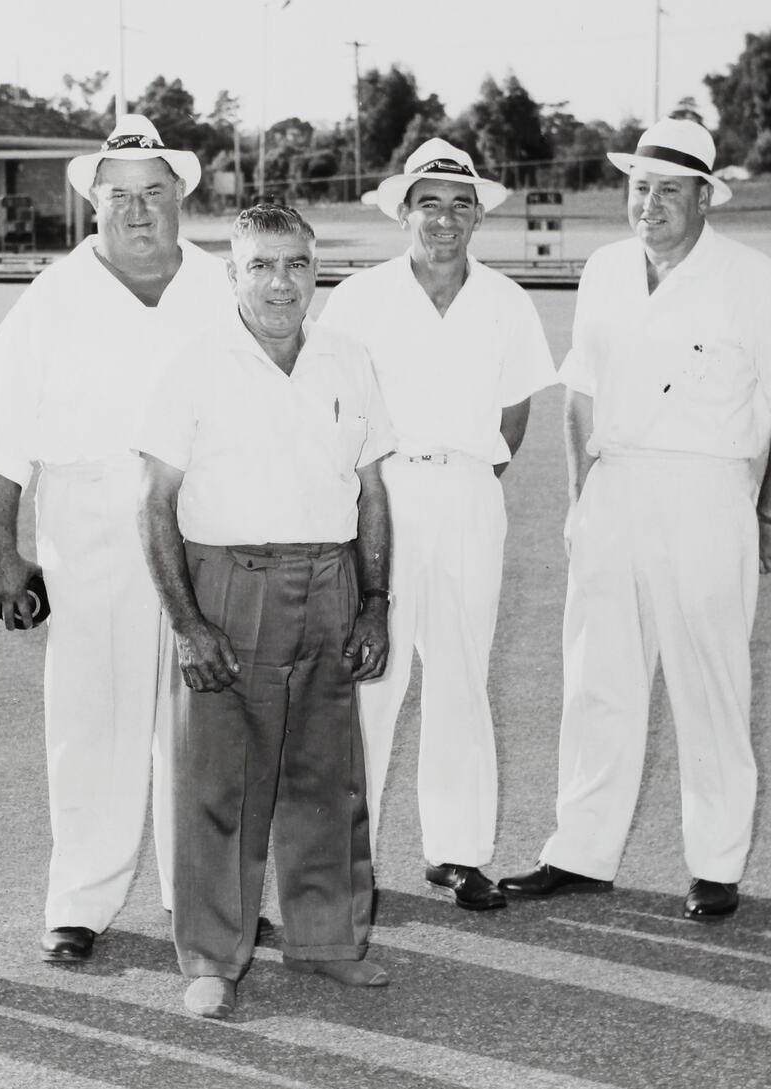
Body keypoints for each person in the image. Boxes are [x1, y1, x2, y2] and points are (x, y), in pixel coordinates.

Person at [498, 119, 771, 920]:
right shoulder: (608, 270)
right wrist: (580, 497)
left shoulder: (751, 280)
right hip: (613, 490)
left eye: (669, 191)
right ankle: (580, 851)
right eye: (639, 187)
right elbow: (580, 387)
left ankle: (715, 864)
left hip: (707, 493)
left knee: (709, 685)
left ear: (704, 198)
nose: (650, 204)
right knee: (596, 681)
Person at [0, 115, 235, 964]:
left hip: (208, 522)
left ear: (181, 200)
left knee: (207, 724)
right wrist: (1, 549)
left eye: (154, 192)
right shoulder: (49, 299)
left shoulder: (222, 285)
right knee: (93, 720)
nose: (137, 209)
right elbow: (2, 435)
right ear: (92, 205)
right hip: (91, 524)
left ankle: (204, 898)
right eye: (119, 195)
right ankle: (79, 903)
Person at [135, 204, 395, 1020]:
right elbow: (154, 503)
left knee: (328, 777)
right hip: (229, 582)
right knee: (221, 780)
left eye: (297, 264)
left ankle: (328, 940)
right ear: (233, 274)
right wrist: (187, 622)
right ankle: (214, 957)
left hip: (330, 580)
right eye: (262, 265)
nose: (282, 282)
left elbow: (374, 492)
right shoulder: (195, 364)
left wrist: (376, 602)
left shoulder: (348, 358)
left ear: (316, 270)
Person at [317, 139, 557, 912]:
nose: (445, 218)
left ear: (478, 214)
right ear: (403, 211)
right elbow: (330, 405)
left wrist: (463, 475)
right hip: (378, 498)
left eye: (461, 204)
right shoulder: (358, 299)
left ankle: (458, 853)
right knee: (370, 681)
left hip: (467, 493)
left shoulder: (506, 300)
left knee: (461, 675)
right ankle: (347, 862)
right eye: (430, 202)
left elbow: (514, 416)